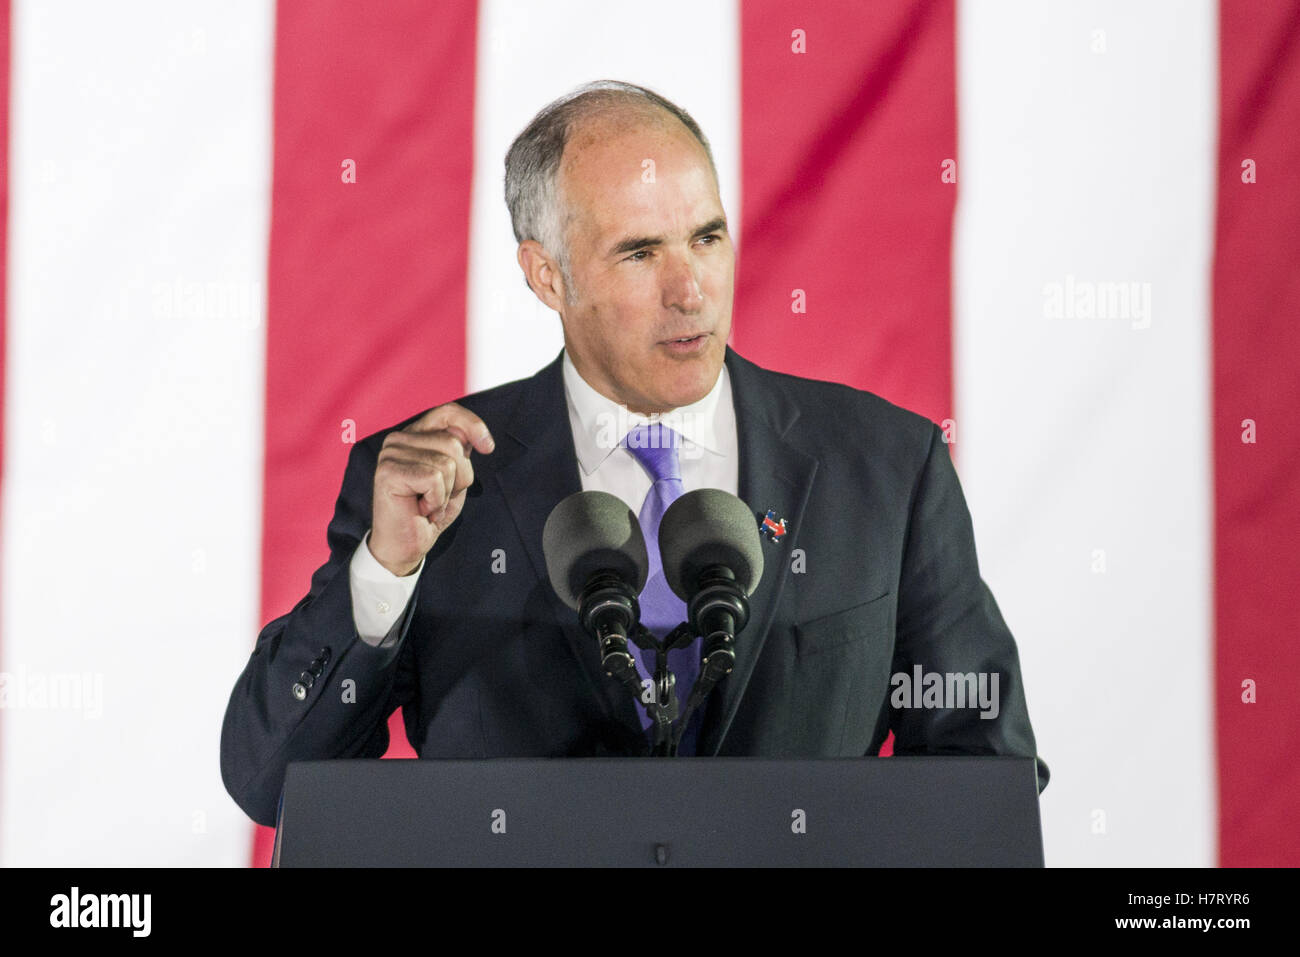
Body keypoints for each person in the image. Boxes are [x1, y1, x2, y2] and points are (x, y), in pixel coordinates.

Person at [221, 80, 1048, 828]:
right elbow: (271, 778)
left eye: (708, 237)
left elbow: (985, 776)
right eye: (641, 252)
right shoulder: (434, 485)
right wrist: (384, 569)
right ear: (547, 276)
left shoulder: (886, 467)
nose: (691, 290)